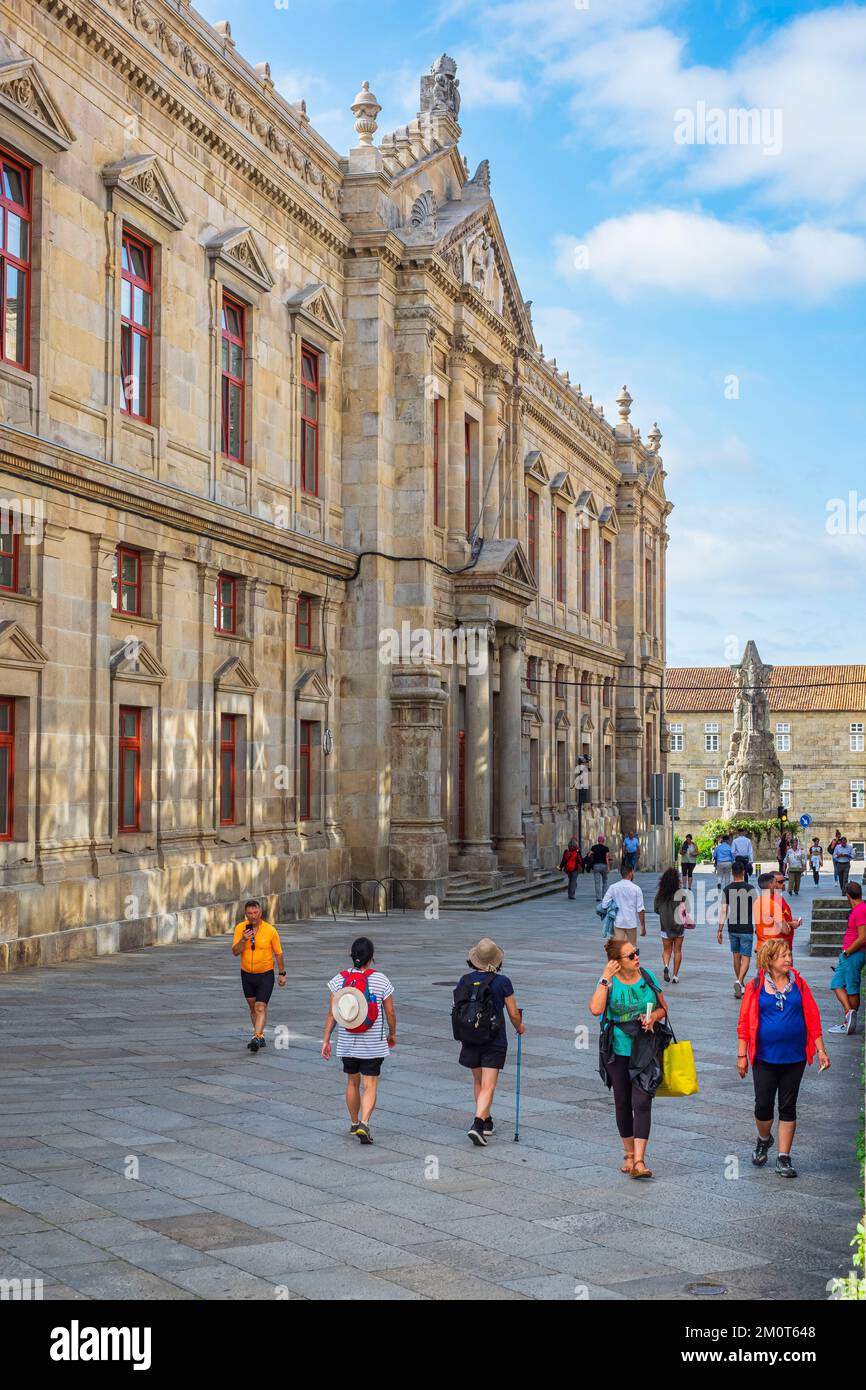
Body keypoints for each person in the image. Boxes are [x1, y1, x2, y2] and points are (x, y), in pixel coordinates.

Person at [736, 938, 829, 1177]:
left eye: (789, 955)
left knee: (788, 1107)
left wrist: (821, 1050)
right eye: (783, 956)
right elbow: (744, 1024)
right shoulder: (755, 986)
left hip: (794, 1056)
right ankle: (764, 1138)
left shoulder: (799, 984)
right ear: (769, 960)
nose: (788, 959)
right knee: (763, 1106)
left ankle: (783, 1157)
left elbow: (812, 1017)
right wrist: (741, 1055)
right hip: (764, 1058)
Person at [590, 938, 669, 1179]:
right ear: (616, 962)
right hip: (617, 1049)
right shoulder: (610, 982)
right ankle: (628, 1153)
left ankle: (640, 1160)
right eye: (631, 956)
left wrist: (653, 1017)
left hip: (645, 1048)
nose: (637, 958)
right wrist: (605, 977)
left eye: (636, 953)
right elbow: (595, 1009)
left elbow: (664, 1008)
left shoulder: (647, 977)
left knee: (642, 1102)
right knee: (622, 1101)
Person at [322, 936, 396, 1144]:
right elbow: (390, 1012)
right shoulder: (381, 980)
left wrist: (326, 1039)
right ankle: (364, 1122)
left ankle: (354, 1123)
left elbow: (332, 1013)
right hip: (373, 1044)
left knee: (352, 1082)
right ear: (371, 958)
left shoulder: (340, 979)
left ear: (352, 956)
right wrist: (392, 1033)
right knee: (370, 1084)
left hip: (347, 1042)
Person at [453, 938, 524, 1146]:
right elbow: (513, 1013)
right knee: (489, 1085)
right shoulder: (503, 982)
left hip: (470, 1037)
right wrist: (519, 1027)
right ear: (496, 960)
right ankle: (477, 1124)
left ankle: (487, 1120)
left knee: (478, 1081)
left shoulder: (464, 980)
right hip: (494, 1038)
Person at [231, 899, 285, 1052]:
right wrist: (243, 939)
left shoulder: (270, 930)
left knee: (260, 1007)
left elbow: (279, 954)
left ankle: (256, 1036)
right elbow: (235, 952)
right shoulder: (240, 928)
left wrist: (282, 973)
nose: (253, 916)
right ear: (246, 914)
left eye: (256, 912)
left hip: (265, 974)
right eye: (250, 913)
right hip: (247, 974)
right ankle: (260, 1036)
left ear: (260, 912)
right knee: (253, 1007)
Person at [828, 881, 866, 1035]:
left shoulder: (860, 910)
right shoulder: (860, 908)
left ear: (847, 895)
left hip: (853, 954)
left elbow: (863, 937)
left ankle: (849, 1021)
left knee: (851, 987)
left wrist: (847, 952)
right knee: (837, 983)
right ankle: (849, 1014)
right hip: (849, 954)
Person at [718, 858, 756, 997]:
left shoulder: (727, 889)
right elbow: (757, 909)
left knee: (736, 956)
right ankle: (739, 981)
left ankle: (741, 983)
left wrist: (720, 929)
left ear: (733, 873)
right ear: (744, 872)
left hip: (732, 927)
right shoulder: (750, 889)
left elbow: (723, 911)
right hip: (746, 927)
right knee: (746, 956)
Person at [753, 871, 802, 959]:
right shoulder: (773, 904)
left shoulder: (757, 902)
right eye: (776, 882)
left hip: (761, 946)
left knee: (762, 972)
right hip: (774, 948)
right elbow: (785, 930)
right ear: (770, 885)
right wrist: (790, 924)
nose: (779, 885)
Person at [654, 866, 689, 984]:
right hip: (679, 926)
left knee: (666, 950)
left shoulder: (660, 895)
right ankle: (675, 976)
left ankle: (665, 966)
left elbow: (656, 909)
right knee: (678, 950)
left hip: (665, 926)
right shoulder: (682, 893)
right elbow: (687, 909)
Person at [599, 865, 646, 947]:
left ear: (621, 874)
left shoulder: (613, 887)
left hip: (618, 922)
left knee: (618, 949)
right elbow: (640, 909)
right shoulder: (636, 889)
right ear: (631, 873)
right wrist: (643, 926)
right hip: (631, 923)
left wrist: (613, 904)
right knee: (631, 949)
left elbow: (604, 904)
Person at [587, 835, 612, 901]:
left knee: (597, 882)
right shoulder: (606, 848)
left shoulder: (594, 847)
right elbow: (607, 858)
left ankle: (598, 897)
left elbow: (589, 855)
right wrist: (608, 867)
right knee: (605, 881)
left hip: (596, 866)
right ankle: (604, 896)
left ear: (598, 840)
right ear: (603, 841)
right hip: (604, 866)